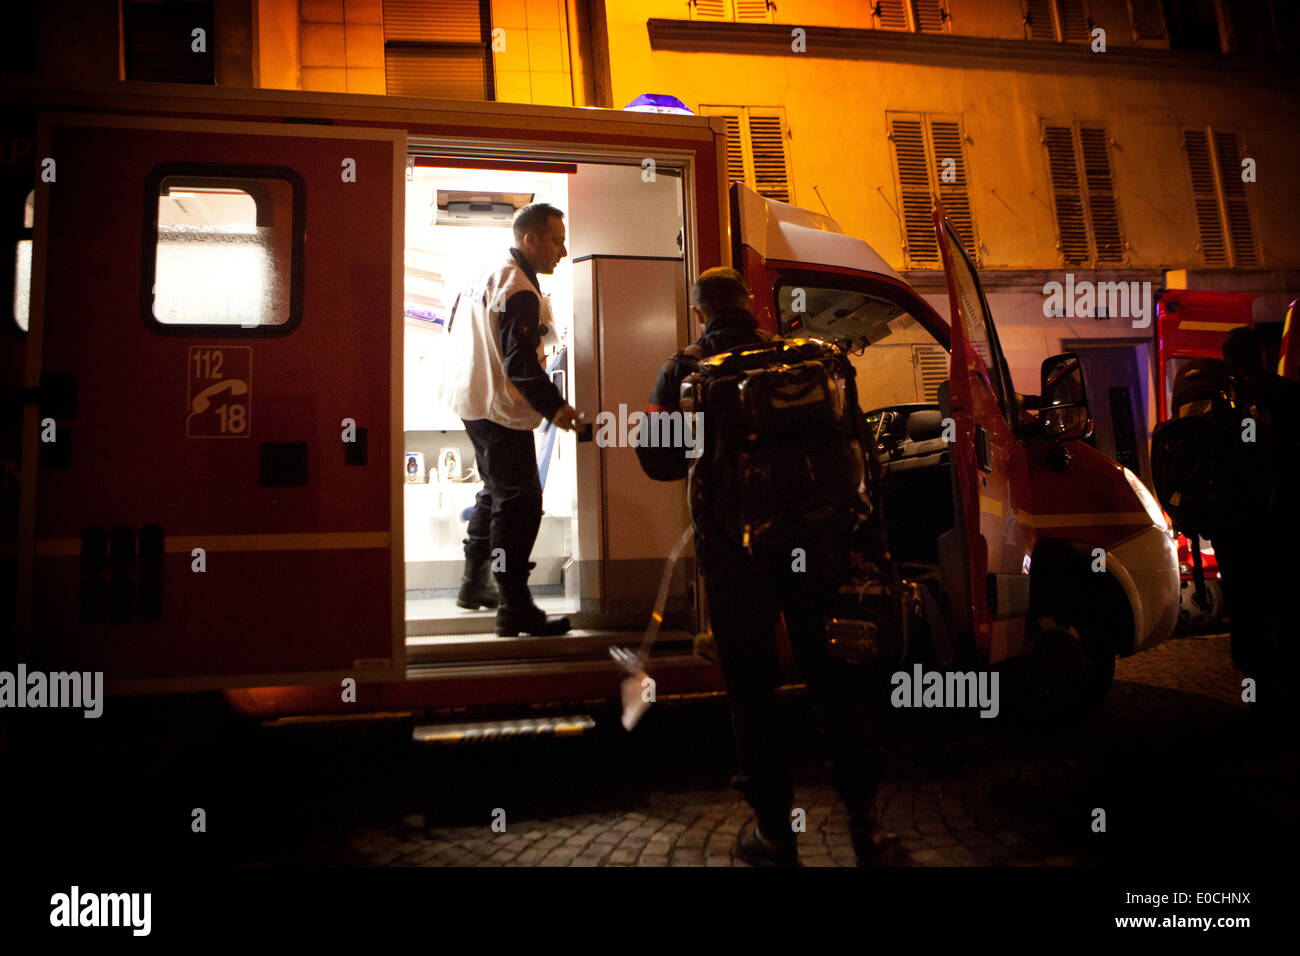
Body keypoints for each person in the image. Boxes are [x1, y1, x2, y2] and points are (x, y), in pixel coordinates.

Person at [636, 266, 897, 866]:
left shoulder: (684, 369)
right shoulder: (812, 362)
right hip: (818, 551)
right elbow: (863, 454)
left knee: (751, 693)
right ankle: (867, 827)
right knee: (835, 685)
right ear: (751, 304)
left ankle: (776, 833)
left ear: (699, 311)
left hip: (736, 558)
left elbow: (657, 460)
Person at [438, 203, 582, 637]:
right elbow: (520, 361)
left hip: (470, 399)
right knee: (520, 503)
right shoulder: (518, 287)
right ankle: (514, 605)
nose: (562, 249)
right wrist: (556, 406)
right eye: (556, 239)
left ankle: (473, 585)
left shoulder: (486, 270)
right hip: (499, 407)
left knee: (495, 491)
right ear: (530, 239)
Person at [1215, 326, 1300, 708]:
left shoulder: (1217, 400)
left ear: (1227, 359)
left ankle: (1256, 688)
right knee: (1283, 601)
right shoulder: (1284, 394)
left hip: (1231, 524)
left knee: (1245, 605)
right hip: (1278, 519)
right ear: (1261, 355)